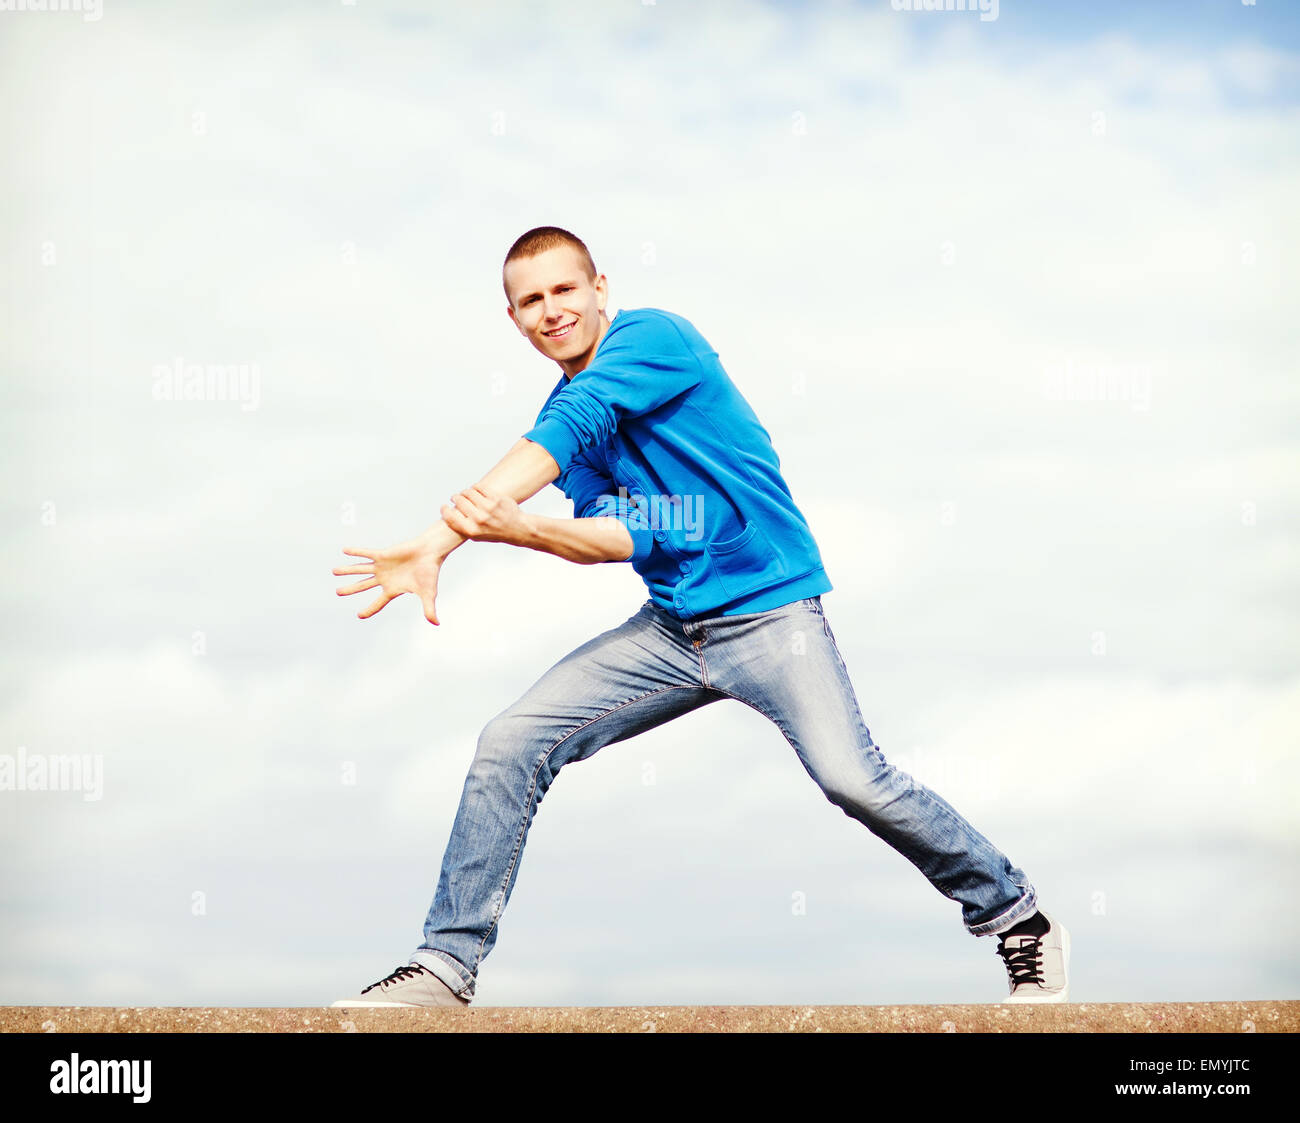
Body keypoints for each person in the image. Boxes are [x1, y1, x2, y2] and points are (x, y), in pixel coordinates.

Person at [330, 226, 1070, 1008]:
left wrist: (446, 538)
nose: (552, 310)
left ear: (599, 288)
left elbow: (579, 425)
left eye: (564, 290)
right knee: (508, 741)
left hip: (770, 614)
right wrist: (531, 529)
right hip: (672, 632)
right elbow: (635, 529)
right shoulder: (568, 425)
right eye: (531, 301)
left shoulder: (656, 338)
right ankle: (446, 966)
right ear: (513, 319)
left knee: (853, 778)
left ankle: (1018, 917)